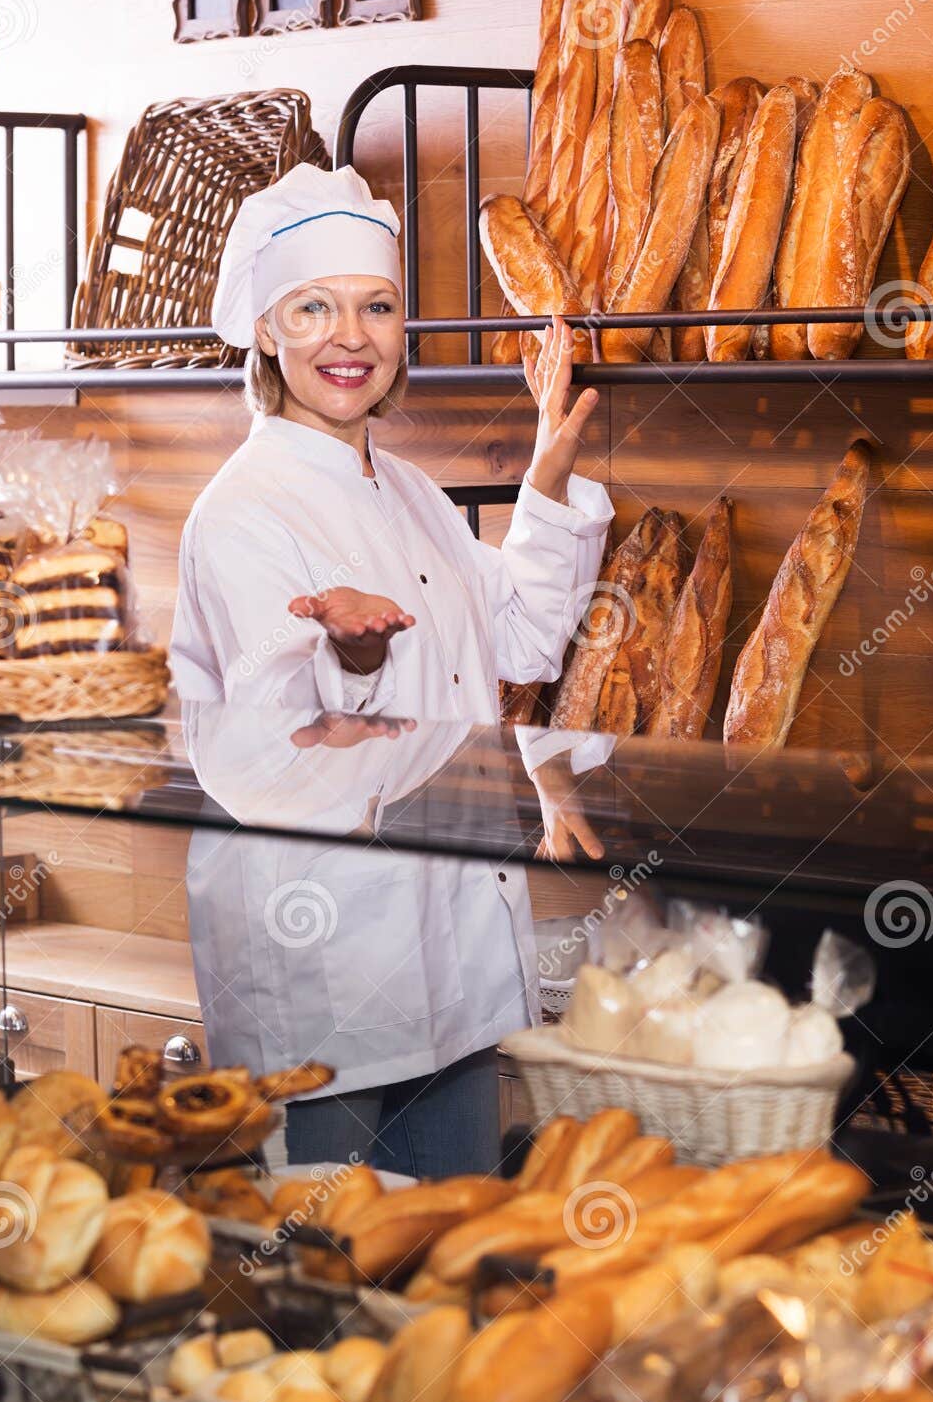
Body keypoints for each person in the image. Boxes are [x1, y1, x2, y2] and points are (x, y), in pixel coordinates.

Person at [169, 163, 610, 1177]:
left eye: (376, 306)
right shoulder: (243, 510)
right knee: (326, 1286)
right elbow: (252, 761)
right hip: (324, 957)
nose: (350, 336)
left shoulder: (407, 490)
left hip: (448, 950)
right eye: (314, 307)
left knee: (441, 1270)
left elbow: (522, 642)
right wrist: (349, 658)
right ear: (268, 331)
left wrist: (543, 475)